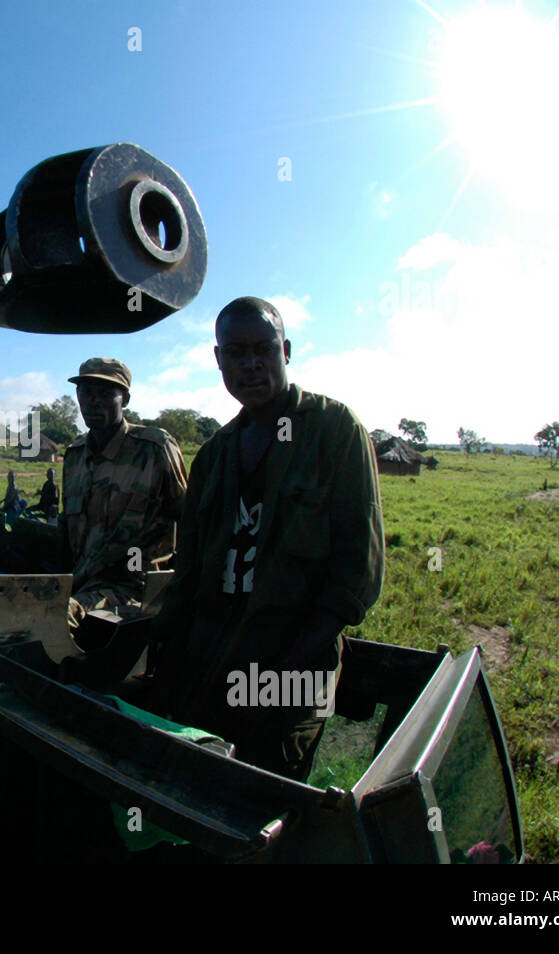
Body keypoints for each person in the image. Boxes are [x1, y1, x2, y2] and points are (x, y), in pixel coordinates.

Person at [151, 297, 384, 781]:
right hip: (210, 661)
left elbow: (355, 576)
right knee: (199, 789)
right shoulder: (214, 455)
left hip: (291, 667)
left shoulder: (334, 431)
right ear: (219, 360)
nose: (251, 364)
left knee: (267, 800)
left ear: (287, 350)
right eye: (236, 353)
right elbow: (189, 573)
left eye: (264, 349)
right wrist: (164, 658)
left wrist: (282, 673)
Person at [60, 358, 187, 640]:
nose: (93, 402)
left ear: (125, 398)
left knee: (54, 617)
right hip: (81, 584)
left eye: (106, 393)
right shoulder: (74, 456)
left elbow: (192, 521)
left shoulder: (155, 449)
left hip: (136, 589)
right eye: (86, 392)